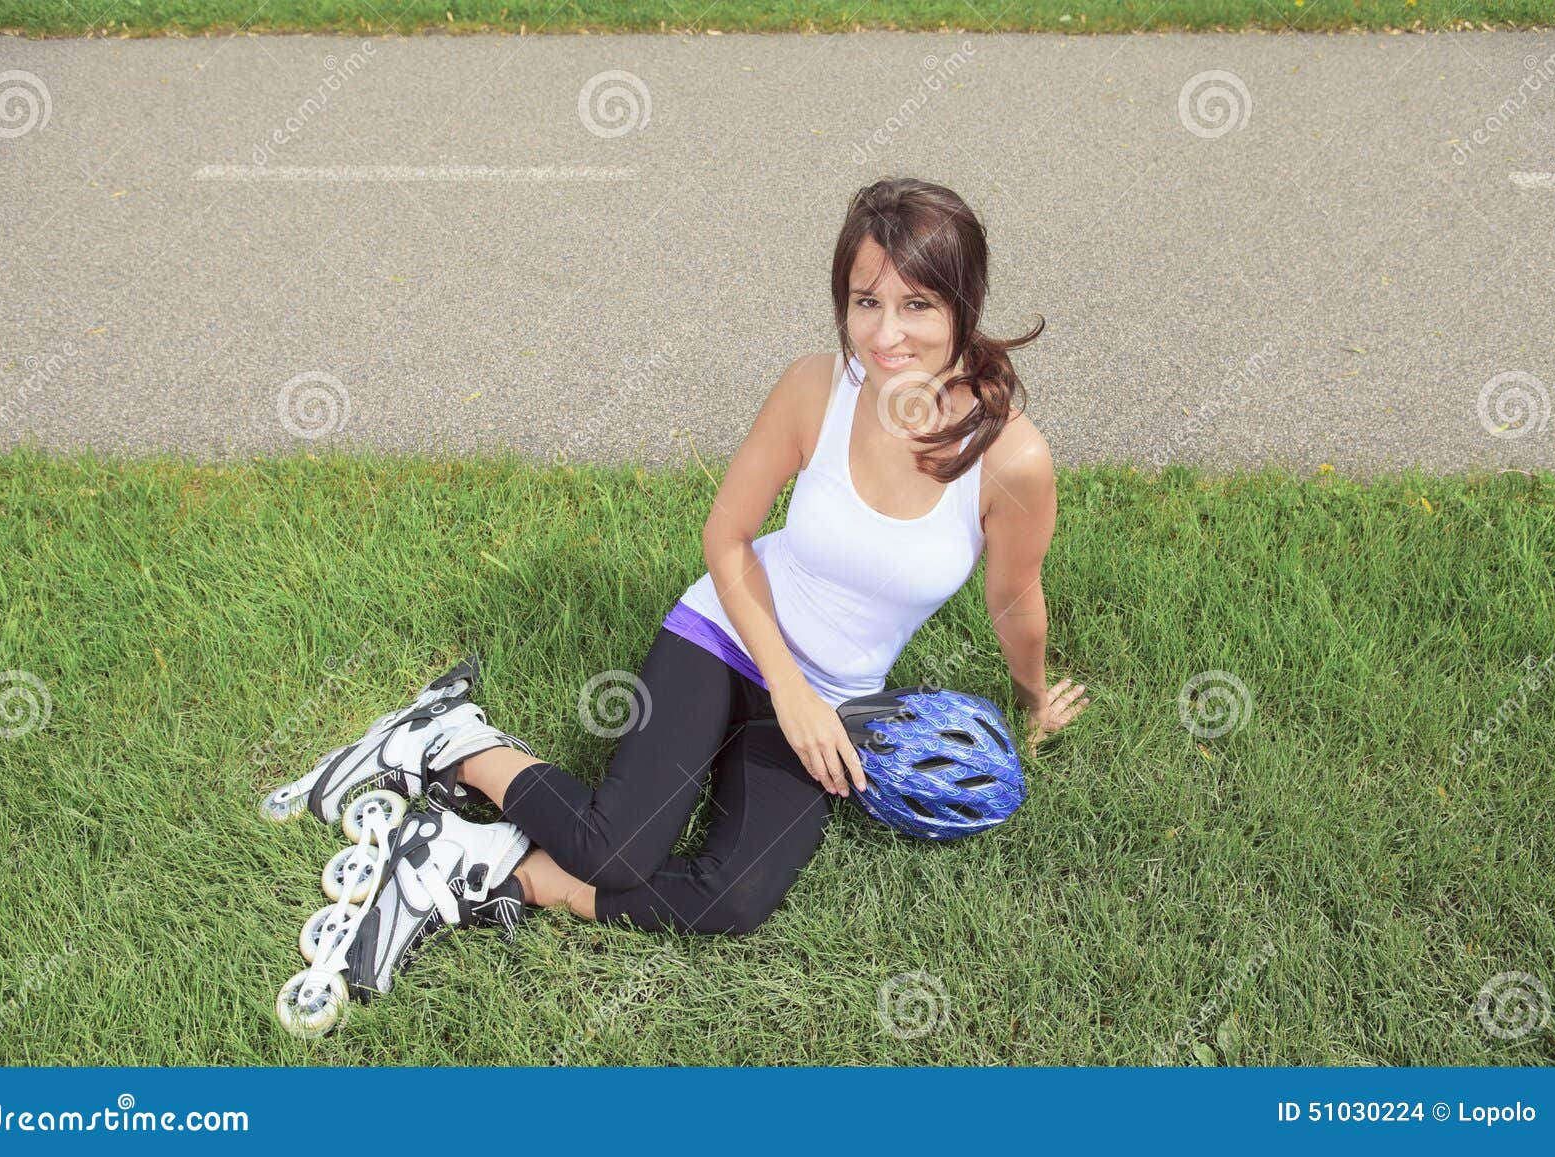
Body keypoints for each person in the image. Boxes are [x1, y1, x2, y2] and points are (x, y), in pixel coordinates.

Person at [320, 177, 1092, 1008]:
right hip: (725, 630)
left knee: (736, 897)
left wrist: (1033, 698)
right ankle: (455, 738)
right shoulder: (815, 389)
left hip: (834, 696)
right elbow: (727, 539)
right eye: (865, 301)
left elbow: (1015, 599)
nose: (886, 334)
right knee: (618, 850)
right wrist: (789, 690)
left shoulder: (1010, 458)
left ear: (963, 303)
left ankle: (487, 869)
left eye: (917, 304)